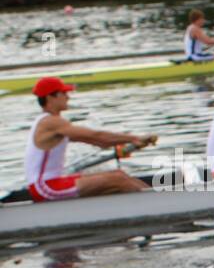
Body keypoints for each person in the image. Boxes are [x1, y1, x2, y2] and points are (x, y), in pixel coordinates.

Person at [23, 77, 156, 200]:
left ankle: (155, 199)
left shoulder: (50, 122)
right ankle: (157, 203)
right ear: (50, 97)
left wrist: (132, 144)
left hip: (52, 183)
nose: (68, 97)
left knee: (119, 175)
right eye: (63, 93)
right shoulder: (51, 122)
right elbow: (96, 135)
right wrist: (134, 138)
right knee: (117, 180)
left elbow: (98, 142)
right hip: (45, 188)